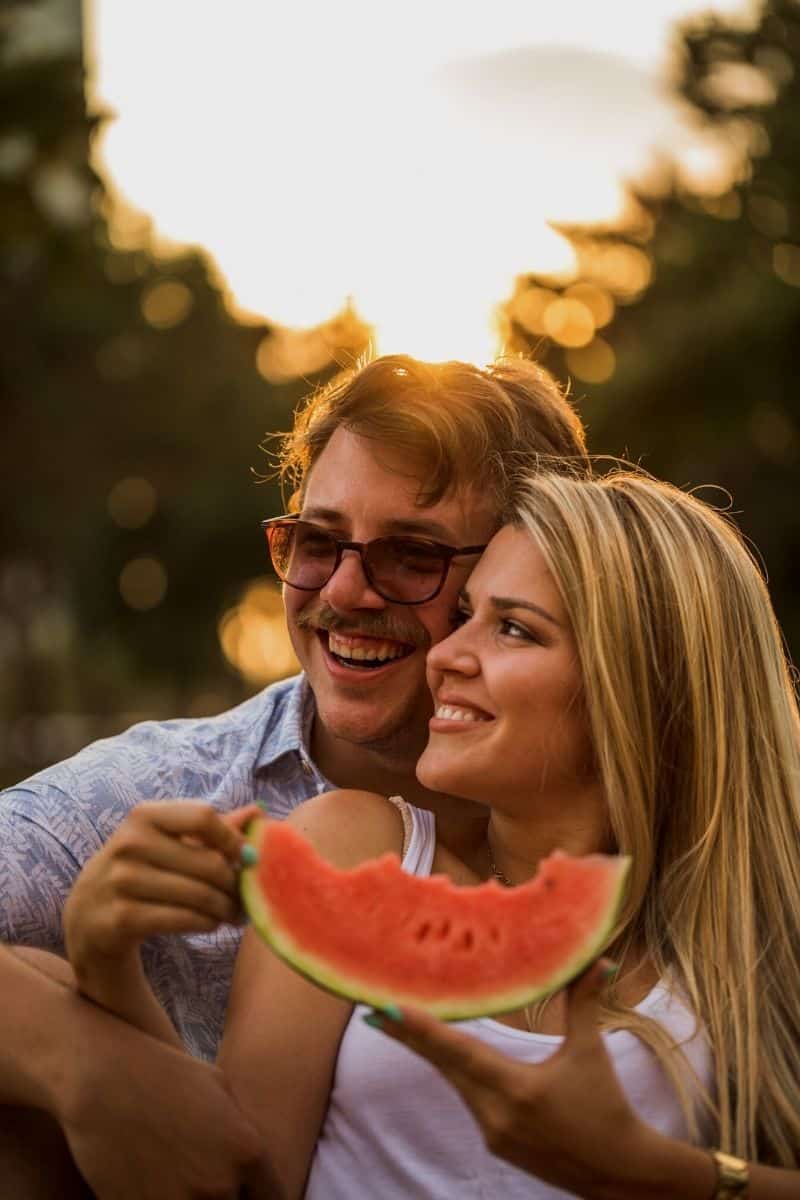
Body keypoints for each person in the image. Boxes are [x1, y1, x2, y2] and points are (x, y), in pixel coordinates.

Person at [62, 469, 800, 1198]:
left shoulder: (757, 930)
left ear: (640, 685)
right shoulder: (354, 844)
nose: (444, 658)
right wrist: (105, 969)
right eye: (464, 616)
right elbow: (230, 1183)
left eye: (513, 628)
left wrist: (657, 1175)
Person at [0, 353, 588, 1198]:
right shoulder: (171, 793)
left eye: (412, 555)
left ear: (523, 570)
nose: (344, 592)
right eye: (317, 542)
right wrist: (71, 1057)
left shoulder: (666, 824)